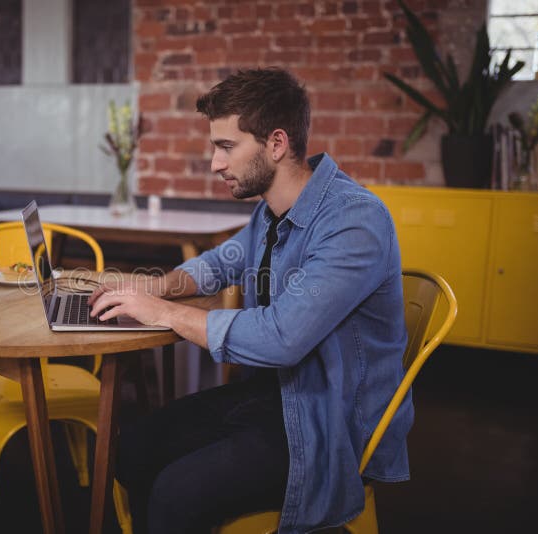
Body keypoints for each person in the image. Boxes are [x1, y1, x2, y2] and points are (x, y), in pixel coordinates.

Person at [89, 67, 411, 534]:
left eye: (225, 147)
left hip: (328, 421)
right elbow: (220, 264)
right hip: (279, 395)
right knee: (132, 449)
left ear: (276, 144)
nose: (215, 164)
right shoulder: (273, 211)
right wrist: (152, 289)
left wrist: (162, 313)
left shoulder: (353, 223)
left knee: (175, 496)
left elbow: (281, 338)